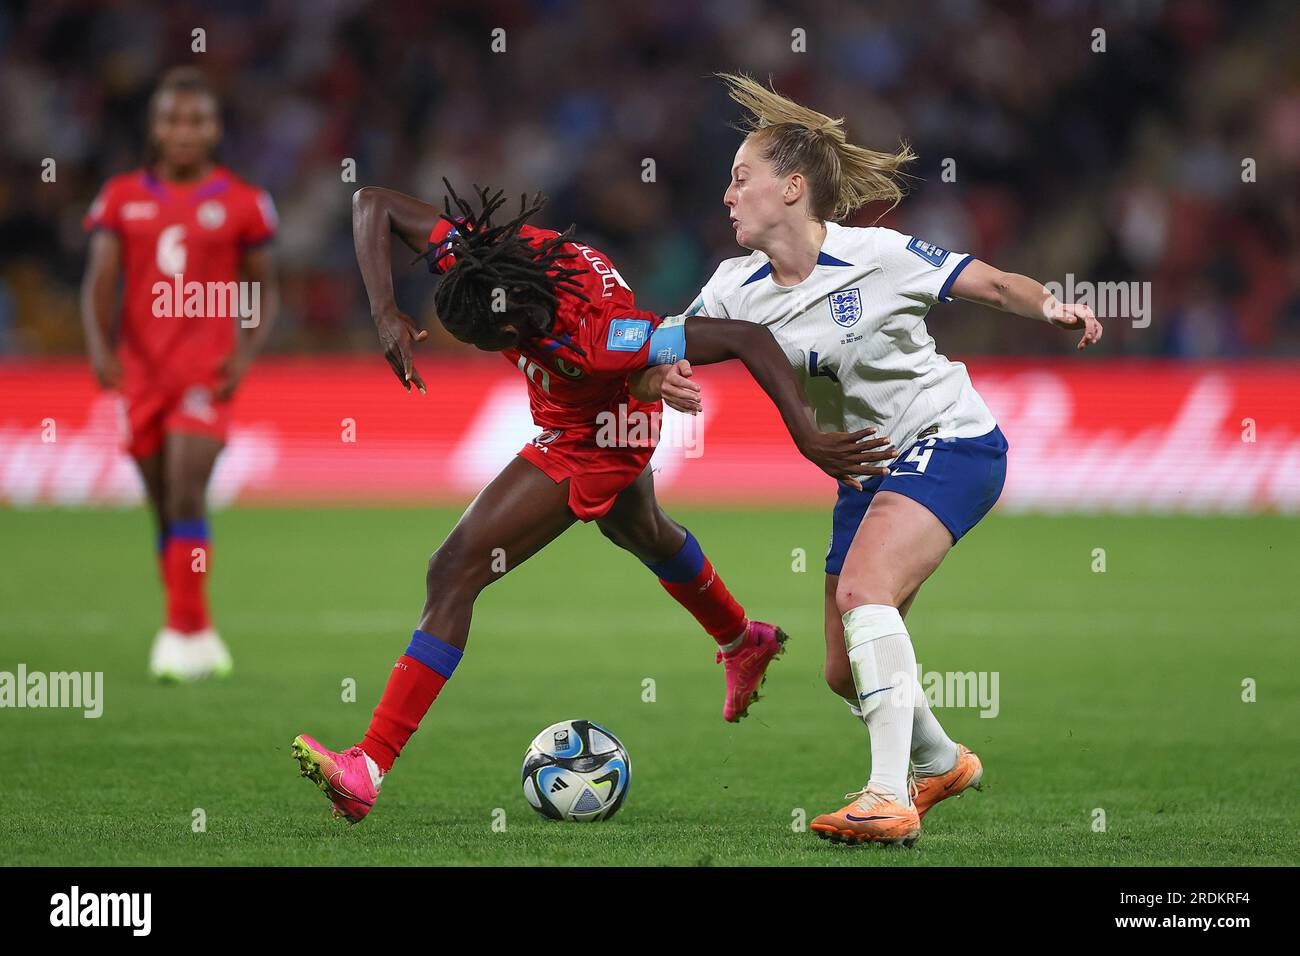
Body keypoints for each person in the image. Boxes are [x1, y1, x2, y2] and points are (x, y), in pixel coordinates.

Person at [290, 181, 893, 823]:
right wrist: (384, 309)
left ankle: (369, 766)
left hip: (596, 436)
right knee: (642, 531)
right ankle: (743, 639)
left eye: (486, 343)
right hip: (585, 407)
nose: (485, 350)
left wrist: (807, 436)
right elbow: (370, 202)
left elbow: (745, 337)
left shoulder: (597, 334)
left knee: (453, 570)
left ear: (512, 325)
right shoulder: (490, 262)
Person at [635, 74, 1103, 846]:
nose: (726, 195)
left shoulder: (877, 255)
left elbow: (985, 279)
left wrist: (1048, 304)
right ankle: (944, 760)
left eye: (740, 179)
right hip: (867, 470)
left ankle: (889, 795)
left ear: (791, 188)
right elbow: (663, 341)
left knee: (863, 589)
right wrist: (662, 373)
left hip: (949, 440)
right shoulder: (733, 288)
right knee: (843, 672)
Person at [80, 66, 279, 681]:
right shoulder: (120, 198)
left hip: (205, 375)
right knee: (165, 508)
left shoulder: (244, 202)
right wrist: (99, 347)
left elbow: (266, 292)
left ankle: (181, 633)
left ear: (215, 128)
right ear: (155, 127)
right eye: (172, 119)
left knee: (188, 487)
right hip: (141, 376)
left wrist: (244, 356)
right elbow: (98, 284)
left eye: (196, 119)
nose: (184, 130)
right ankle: (194, 627)